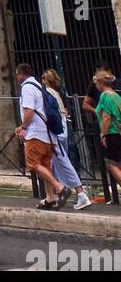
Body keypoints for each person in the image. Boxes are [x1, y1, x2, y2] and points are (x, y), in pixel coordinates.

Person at [41, 69, 93, 211]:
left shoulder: (47, 93)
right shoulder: (58, 93)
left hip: (55, 131)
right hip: (61, 128)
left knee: (62, 162)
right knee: (53, 164)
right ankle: (54, 195)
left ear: (46, 80)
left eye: (43, 79)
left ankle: (80, 193)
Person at [15, 62, 64, 210]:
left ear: (21, 74)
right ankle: (50, 199)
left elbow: (29, 111)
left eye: (17, 74)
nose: (17, 77)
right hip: (48, 135)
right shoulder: (39, 87)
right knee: (44, 166)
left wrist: (23, 127)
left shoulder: (27, 88)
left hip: (36, 133)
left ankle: (60, 188)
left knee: (33, 164)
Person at [92, 70, 121, 199]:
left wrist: (103, 133)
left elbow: (106, 117)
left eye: (96, 83)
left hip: (112, 133)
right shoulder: (116, 95)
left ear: (100, 82)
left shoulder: (104, 96)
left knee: (110, 163)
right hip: (119, 131)